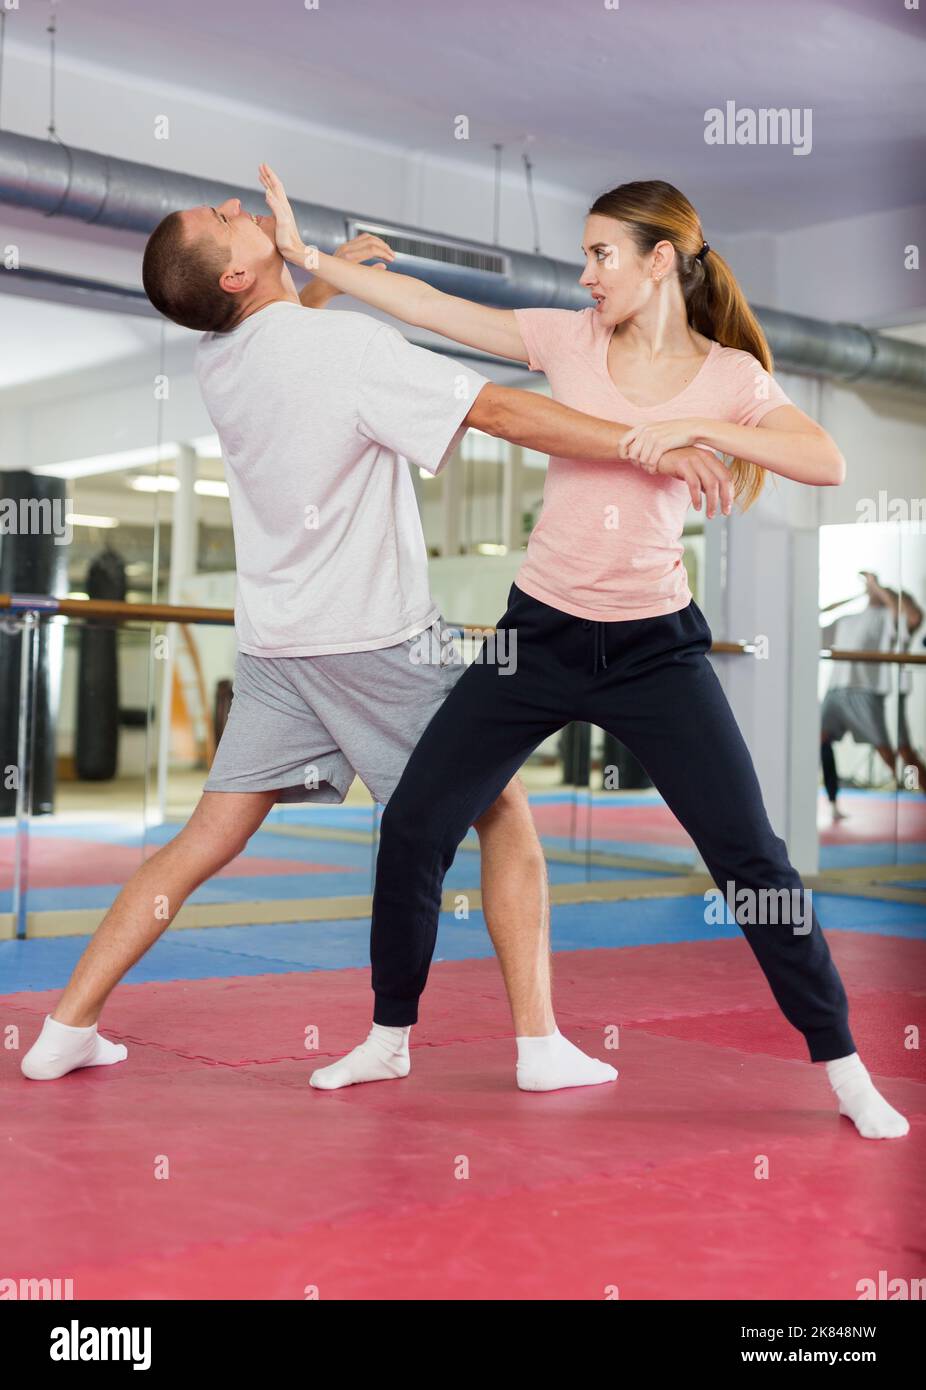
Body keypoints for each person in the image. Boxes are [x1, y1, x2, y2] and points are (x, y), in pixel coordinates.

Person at [21, 189, 731, 1092]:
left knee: (204, 838)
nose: (237, 204)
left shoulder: (219, 355)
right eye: (225, 217)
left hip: (277, 649)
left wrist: (324, 278)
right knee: (502, 812)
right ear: (238, 272)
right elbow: (500, 414)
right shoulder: (347, 350)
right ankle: (540, 1044)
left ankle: (64, 1026)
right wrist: (649, 446)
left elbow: (281, 339)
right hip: (374, 642)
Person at [262, 167, 909, 1139]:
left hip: (656, 651)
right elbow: (436, 306)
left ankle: (846, 1068)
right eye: (582, 255)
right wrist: (308, 258)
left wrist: (684, 427)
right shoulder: (569, 337)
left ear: (658, 263)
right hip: (537, 636)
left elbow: (824, 459)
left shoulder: (726, 376)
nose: (584, 274)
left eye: (599, 255)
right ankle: (388, 1034)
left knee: (751, 861)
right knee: (414, 824)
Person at [820, 572, 900, 821]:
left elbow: (904, 616)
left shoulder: (886, 616)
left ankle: (906, 783)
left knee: (883, 746)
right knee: (820, 740)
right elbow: (815, 625)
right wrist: (853, 596)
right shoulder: (848, 618)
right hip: (836, 690)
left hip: (863, 689)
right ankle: (833, 802)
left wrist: (877, 586)